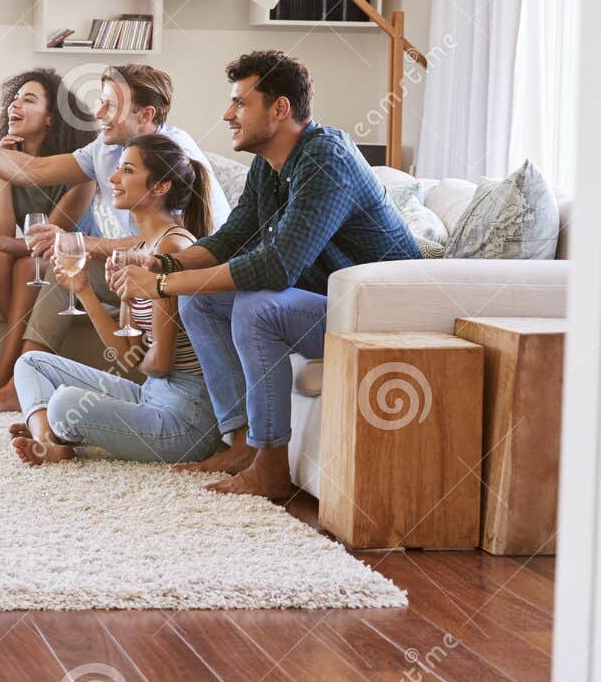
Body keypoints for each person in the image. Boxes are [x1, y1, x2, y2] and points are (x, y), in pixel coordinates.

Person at [109, 51, 422, 502]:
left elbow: (277, 265)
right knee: (201, 300)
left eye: (240, 104)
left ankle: (270, 465)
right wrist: (166, 264)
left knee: (259, 308)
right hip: (329, 302)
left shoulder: (325, 160)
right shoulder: (269, 164)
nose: (227, 115)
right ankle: (240, 444)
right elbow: (232, 237)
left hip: (379, 314)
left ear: (280, 109)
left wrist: (161, 286)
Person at [0, 64, 230, 414]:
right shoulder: (108, 149)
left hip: (180, 277)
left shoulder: (173, 158)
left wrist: (81, 244)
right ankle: (20, 381)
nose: (98, 114)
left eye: (109, 105)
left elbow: (172, 246)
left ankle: (21, 384)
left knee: (69, 259)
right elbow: (36, 170)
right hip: (133, 267)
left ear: (146, 114)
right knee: (61, 272)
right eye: (100, 102)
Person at [10, 135, 223, 466]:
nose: (112, 179)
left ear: (160, 186)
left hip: (185, 423)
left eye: (127, 170)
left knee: (64, 403)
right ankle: (48, 441)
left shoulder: (173, 249)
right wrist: (83, 289)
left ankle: (51, 432)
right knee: (31, 363)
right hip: (151, 395)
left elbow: (159, 365)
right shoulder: (139, 251)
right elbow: (124, 355)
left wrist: (138, 349)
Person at [0, 69, 98, 414]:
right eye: (14, 98)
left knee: (24, 262)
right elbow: (4, 235)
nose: (14, 105)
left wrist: (1, 242)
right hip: (38, 257)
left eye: (28, 99)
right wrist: (0, 171)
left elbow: (50, 239)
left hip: (79, 256)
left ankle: (4, 375)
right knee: (0, 260)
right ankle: (19, 369)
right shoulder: (7, 159)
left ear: (51, 118)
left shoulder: (80, 171)